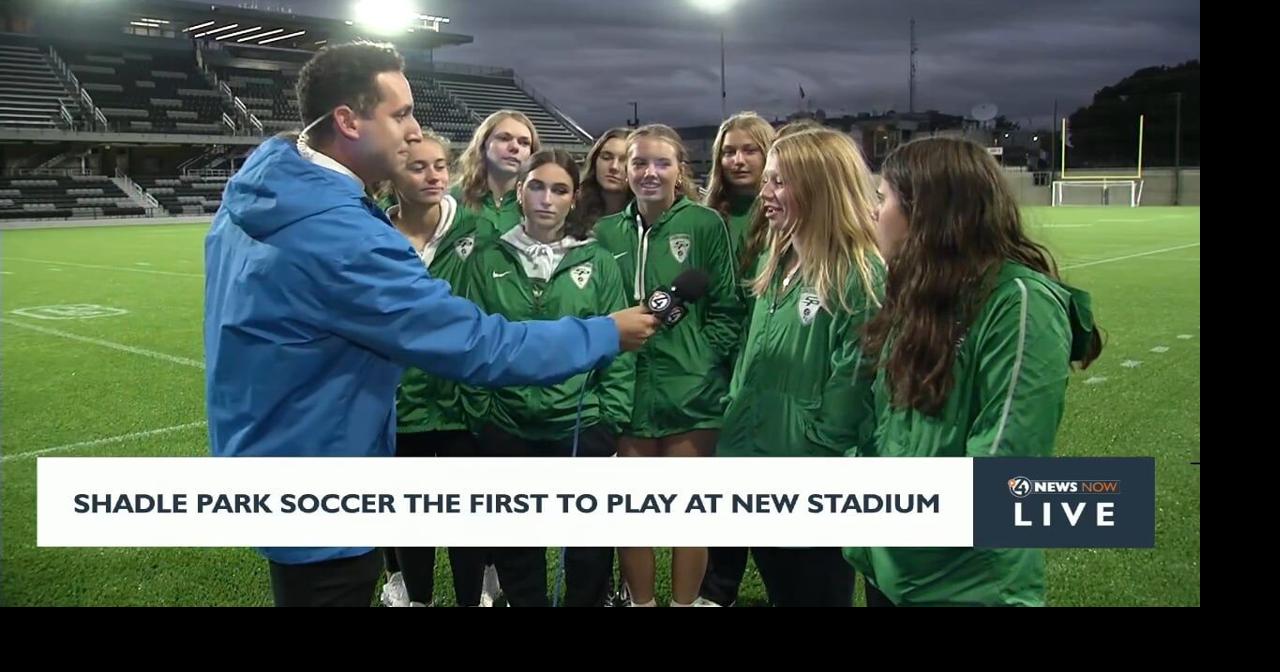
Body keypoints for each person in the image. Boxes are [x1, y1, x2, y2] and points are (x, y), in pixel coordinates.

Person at [203, 41, 659, 607]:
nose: (414, 131)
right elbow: (477, 345)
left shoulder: (263, 188)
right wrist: (604, 333)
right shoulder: (338, 233)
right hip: (323, 473)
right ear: (348, 121)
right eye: (400, 115)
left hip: (267, 454)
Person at [846, 136, 1103, 607]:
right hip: (891, 564)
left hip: (965, 581)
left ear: (926, 212)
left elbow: (1005, 462)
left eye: (882, 198)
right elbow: (881, 426)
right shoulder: (920, 293)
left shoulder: (1020, 303)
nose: (873, 213)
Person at [457, 149, 634, 607]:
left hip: (580, 426)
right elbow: (469, 340)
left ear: (574, 199)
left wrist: (608, 419)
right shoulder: (486, 258)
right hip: (508, 427)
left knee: (589, 552)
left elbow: (620, 343)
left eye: (559, 190)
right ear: (520, 191)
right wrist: (484, 415)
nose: (547, 199)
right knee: (518, 551)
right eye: (537, 186)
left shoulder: (597, 261)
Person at [594, 124, 745, 607]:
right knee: (632, 513)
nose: (649, 172)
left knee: (687, 514)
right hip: (629, 390)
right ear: (625, 169)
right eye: (639, 163)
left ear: (681, 171)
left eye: (662, 163)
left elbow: (726, 307)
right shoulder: (605, 231)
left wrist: (703, 361)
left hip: (691, 393)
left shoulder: (704, 225)